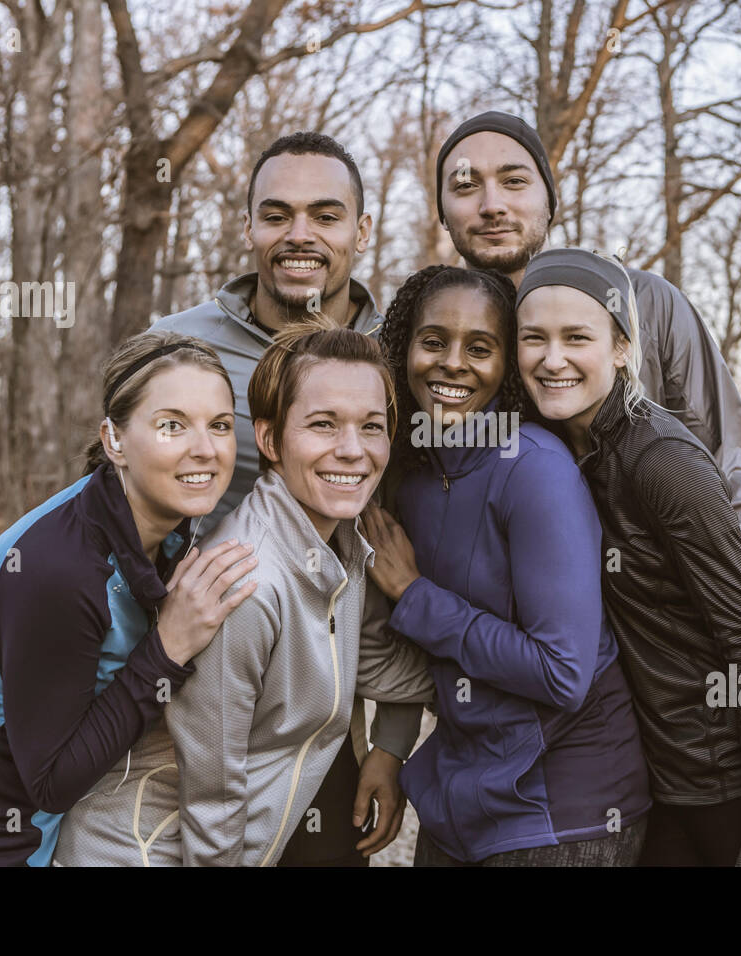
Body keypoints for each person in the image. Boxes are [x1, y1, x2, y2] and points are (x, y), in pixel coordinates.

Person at [0, 332, 258, 866]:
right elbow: (49, 784)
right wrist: (166, 648)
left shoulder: (154, 526)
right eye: (172, 425)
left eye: (220, 425)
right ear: (114, 441)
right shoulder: (57, 569)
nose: (205, 448)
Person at [434, 111, 741, 667]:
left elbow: (733, 459)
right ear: (443, 211)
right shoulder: (440, 341)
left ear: (548, 201)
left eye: (514, 181)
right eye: (466, 186)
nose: (492, 204)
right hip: (532, 657)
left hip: (671, 634)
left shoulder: (646, 305)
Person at [53, 325, 432, 867]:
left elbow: (375, 664)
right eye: (323, 425)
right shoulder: (245, 583)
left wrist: (502, 678)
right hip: (138, 853)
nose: (353, 451)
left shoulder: (341, 544)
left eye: (371, 427)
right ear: (271, 439)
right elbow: (212, 796)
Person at [514, 248, 741, 866]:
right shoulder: (561, 457)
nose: (552, 358)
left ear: (621, 349)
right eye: (534, 338)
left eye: (576, 338)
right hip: (674, 793)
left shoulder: (661, 456)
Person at [150, 131, 421, 862]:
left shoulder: (394, 360)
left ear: (363, 230)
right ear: (248, 228)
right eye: (277, 214)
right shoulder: (174, 349)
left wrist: (390, 745)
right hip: (182, 694)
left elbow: (396, 545)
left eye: (326, 215)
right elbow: (103, 506)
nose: (299, 235)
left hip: (316, 704)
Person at [361, 264, 651, 866]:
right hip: (459, 794)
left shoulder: (535, 470)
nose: (452, 364)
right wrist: (388, 752)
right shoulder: (409, 473)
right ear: (403, 348)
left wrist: (415, 596)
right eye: (433, 341)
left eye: (481, 348)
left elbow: (562, 672)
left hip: (564, 812)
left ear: (507, 364)